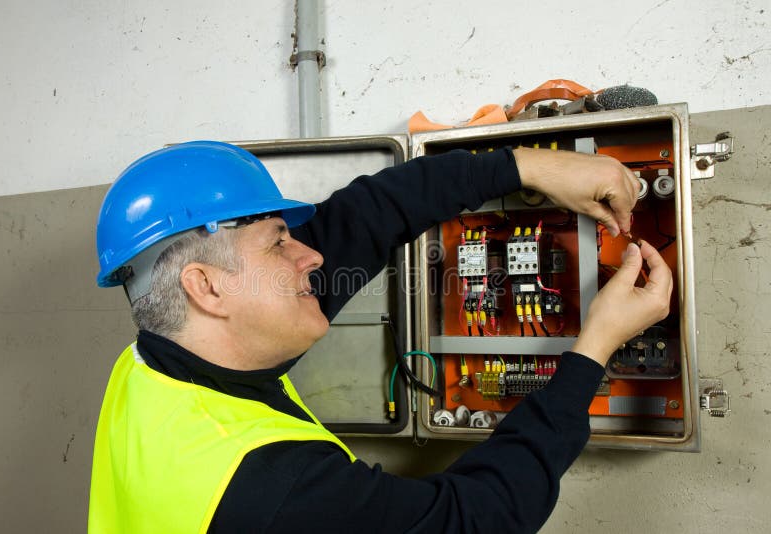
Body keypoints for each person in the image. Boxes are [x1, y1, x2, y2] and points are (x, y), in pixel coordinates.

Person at [89, 140, 671, 533]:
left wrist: (526, 167)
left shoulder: (155, 362)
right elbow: (477, 519)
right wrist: (593, 350)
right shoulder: (273, 488)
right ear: (207, 287)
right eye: (278, 242)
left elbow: (363, 218)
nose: (312, 256)